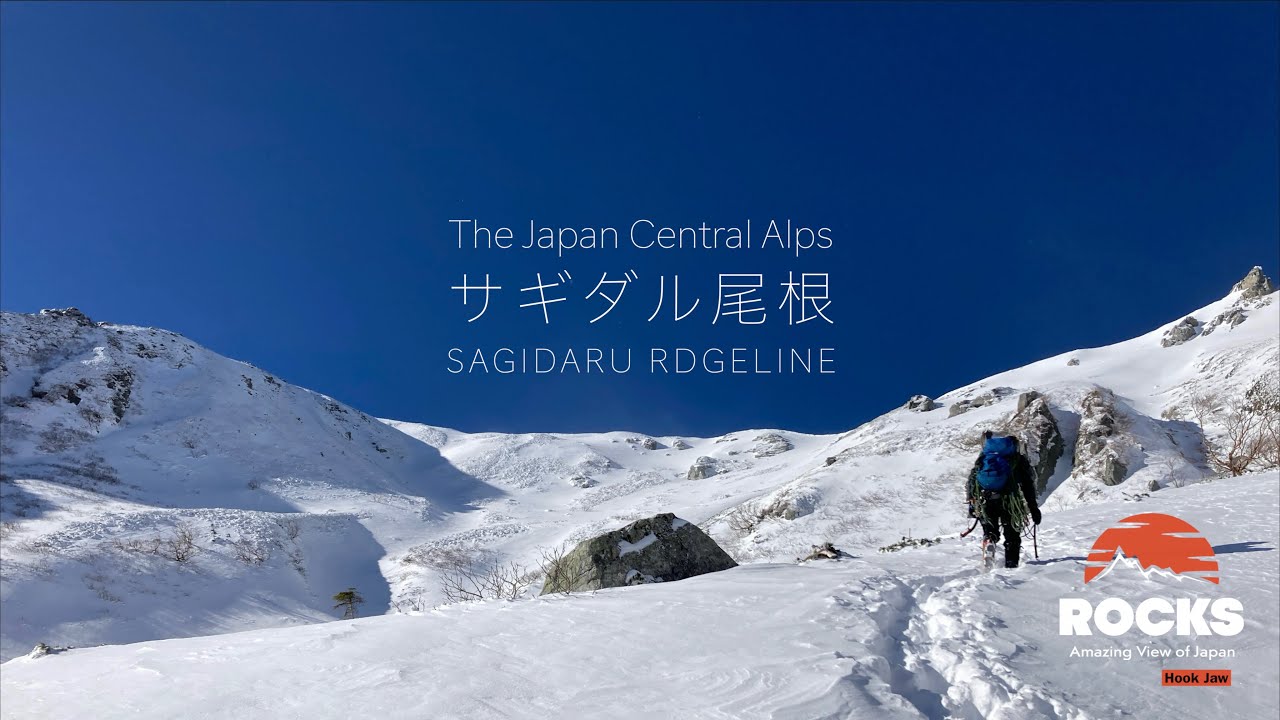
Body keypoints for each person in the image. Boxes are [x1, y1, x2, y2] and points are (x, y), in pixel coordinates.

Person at [967, 431, 1042, 568]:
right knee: (1012, 535)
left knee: (990, 529)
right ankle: (1011, 566)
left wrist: (971, 506)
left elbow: (972, 480)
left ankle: (989, 540)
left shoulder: (985, 457)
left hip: (986, 499)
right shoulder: (1017, 459)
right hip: (1010, 501)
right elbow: (1027, 485)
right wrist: (1033, 508)